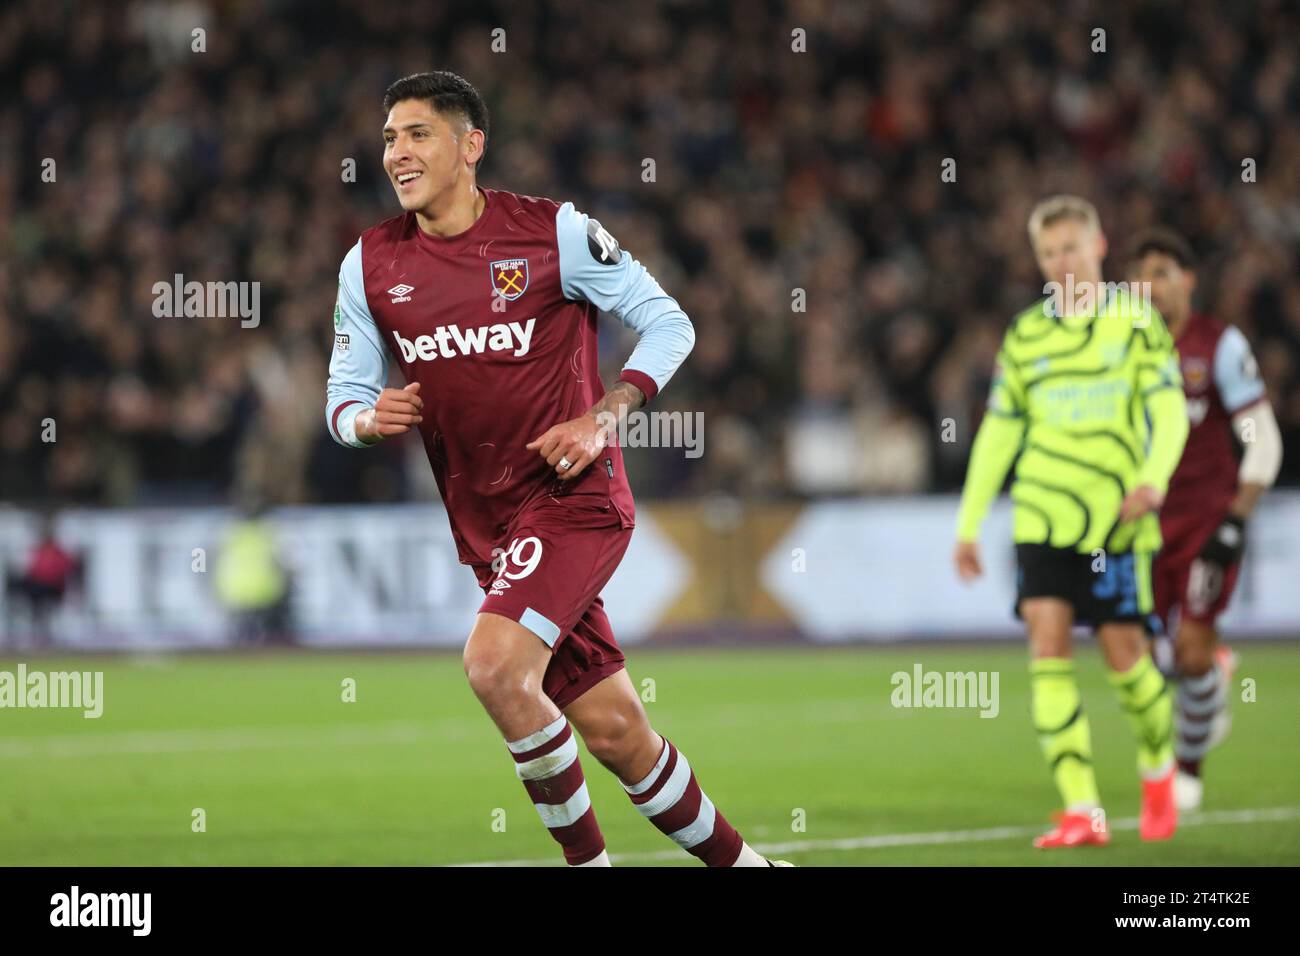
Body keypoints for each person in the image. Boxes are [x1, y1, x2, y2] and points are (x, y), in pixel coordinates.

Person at [326, 71, 786, 867]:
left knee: (495, 667)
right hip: (491, 534)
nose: (396, 153)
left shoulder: (554, 234)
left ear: (471, 145)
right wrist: (370, 420)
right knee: (616, 732)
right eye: (389, 139)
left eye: (416, 134)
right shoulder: (368, 266)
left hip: (576, 501)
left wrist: (605, 413)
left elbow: (669, 324)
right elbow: (342, 400)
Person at [953, 195, 1189, 848]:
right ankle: (1083, 809)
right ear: (1039, 258)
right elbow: (1000, 433)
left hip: (1115, 520)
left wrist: (1153, 479)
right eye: (1050, 252)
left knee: (1125, 661)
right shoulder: (1026, 334)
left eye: (1071, 249)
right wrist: (969, 522)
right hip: (1041, 516)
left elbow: (1169, 414)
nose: (1062, 262)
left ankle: (1158, 765)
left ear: (1099, 247)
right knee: (1047, 646)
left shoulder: (1138, 323)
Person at [1128, 227, 1283, 811]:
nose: (1151, 286)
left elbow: (1261, 439)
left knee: (1189, 648)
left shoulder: (1217, 345)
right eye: (1141, 274)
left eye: (1163, 272)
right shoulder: (1119, 349)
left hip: (1203, 523)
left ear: (1188, 280)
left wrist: (1234, 520)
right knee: (1135, 662)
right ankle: (1210, 680)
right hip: (1140, 527)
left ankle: (1187, 768)